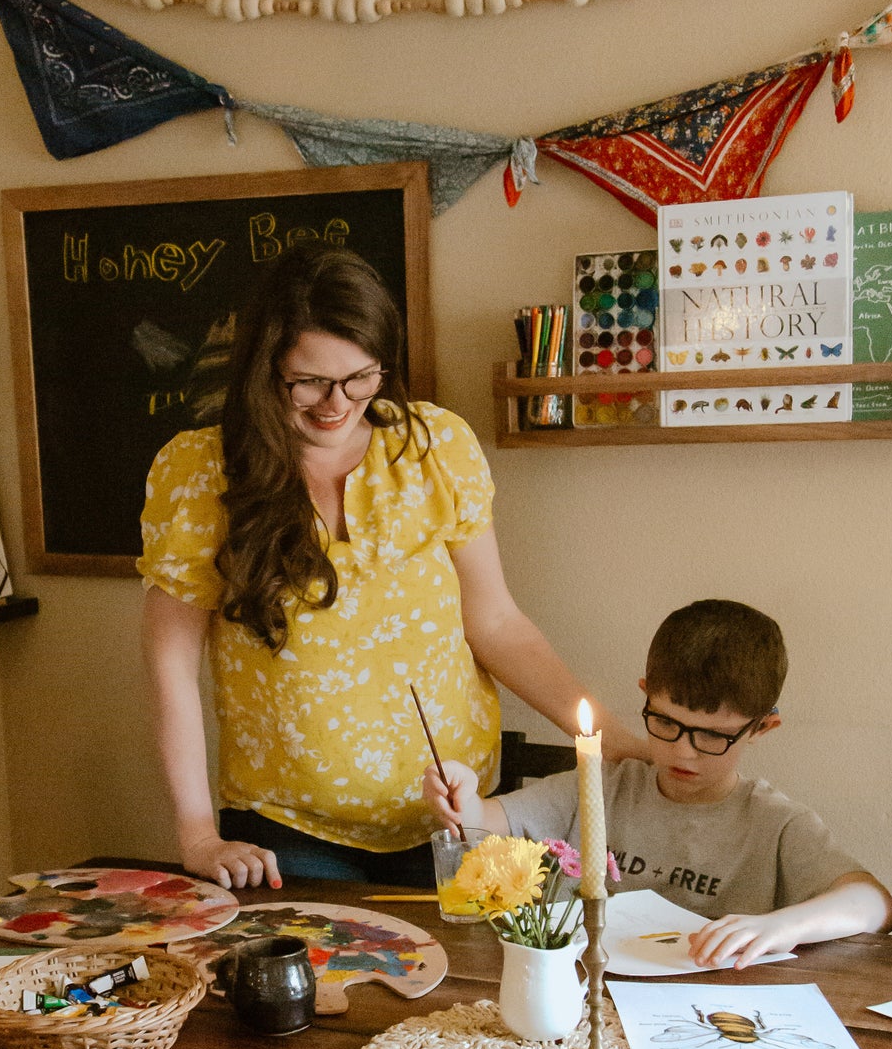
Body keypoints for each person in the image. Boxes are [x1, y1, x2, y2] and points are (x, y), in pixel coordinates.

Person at [140, 242, 638, 891]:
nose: (334, 403)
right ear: (265, 368)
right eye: (309, 381)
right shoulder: (199, 471)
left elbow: (496, 623)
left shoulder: (434, 446)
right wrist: (199, 835)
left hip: (455, 816)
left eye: (359, 379)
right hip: (286, 830)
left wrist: (611, 739)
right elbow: (169, 665)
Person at [427, 599, 892, 968]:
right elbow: (483, 828)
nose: (683, 750)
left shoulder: (773, 823)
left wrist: (782, 926)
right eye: (666, 723)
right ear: (646, 693)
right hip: (581, 992)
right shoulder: (601, 787)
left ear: (761, 729)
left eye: (712, 735)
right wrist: (461, 797)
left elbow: (874, 905)